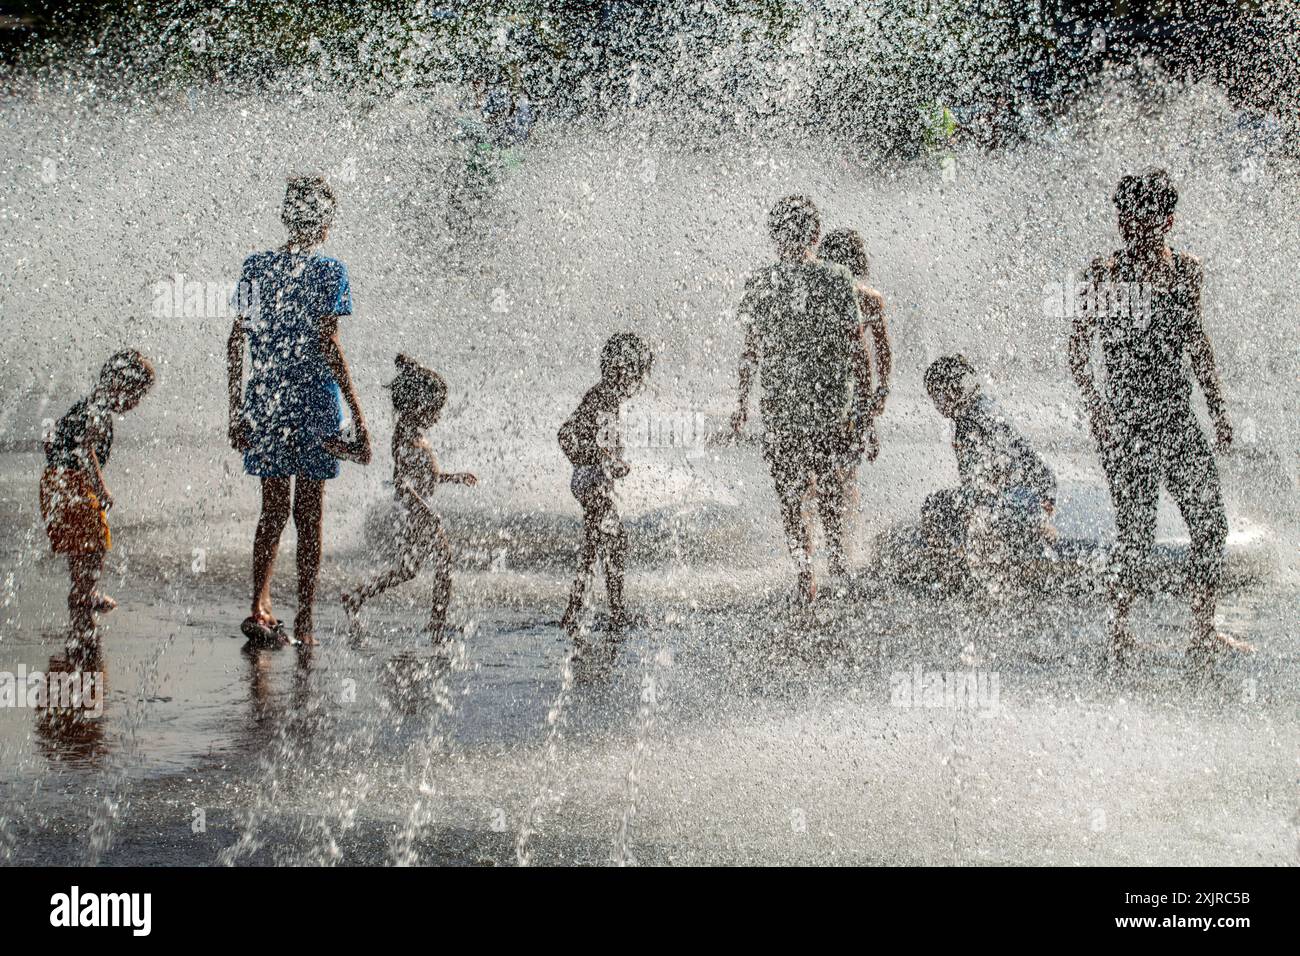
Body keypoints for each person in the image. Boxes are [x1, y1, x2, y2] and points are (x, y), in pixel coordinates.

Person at [1068, 167, 1249, 663]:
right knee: (1136, 530)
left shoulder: (1186, 271)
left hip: (1177, 416)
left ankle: (1204, 628)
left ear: (1167, 221)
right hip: (1125, 421)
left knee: (1210, 523)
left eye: (1144, 218)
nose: (1133, 228)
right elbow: (1078, 349)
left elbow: (1197, 341)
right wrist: (1097, 410)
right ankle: (1120, 630)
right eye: (1126, 217)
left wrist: (1218, 409)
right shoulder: (1101, 275)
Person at [226, 175, 370, 648]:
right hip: (314, 403)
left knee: (272, 511)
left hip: (267, 403)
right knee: (309, 514)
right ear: (326, 223)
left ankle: (259, 605)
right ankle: (305, 619)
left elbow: (235, 342)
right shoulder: (330, 271)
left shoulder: (256, 266)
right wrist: (359, 416)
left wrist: (235, 410)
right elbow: (329, 343)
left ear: (287, 217)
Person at [731, 195, 873, 602]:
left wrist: (741, 403)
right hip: (830, 408)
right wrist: (864, 406)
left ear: (775, 234)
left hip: (781, 410)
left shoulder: (762, 281)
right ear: (815, 232)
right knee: (829, 491)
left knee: (791, 497)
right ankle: (839, 566)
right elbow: (856, 347)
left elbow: (750, 350)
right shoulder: (837, 278)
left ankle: (805, 575)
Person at [340, 355, 476, 644]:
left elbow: (425, 476)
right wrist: (425, 511)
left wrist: (453, 477)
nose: (438, 416)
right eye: (435, 410)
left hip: (414, 510)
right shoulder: (405, 435)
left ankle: (356, 597)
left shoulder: (416, 433)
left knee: (408, 570)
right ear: (418, 404)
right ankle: (437, 624)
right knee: (444, 560)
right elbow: (403, 483)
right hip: (413, 511)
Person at [39, 350, 155, 643]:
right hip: (75, 484)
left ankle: (81, 590)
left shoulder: (85, 406)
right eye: (135, 395)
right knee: (96, 543)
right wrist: (101, 488)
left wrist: (56, 468)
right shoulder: (98, 411)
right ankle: (85, 593)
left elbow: (51, 440)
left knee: (80, 543)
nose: (135, 403)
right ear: (118, 385)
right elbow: (85, 449)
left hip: (54, 483)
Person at [558, 332, 654, 650]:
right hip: (592, 480)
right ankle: (614, 611)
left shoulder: (600, 395)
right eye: (634, 375)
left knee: (595, 548)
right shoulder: (604, 398)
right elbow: (573, 436)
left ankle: (576, 611)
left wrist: (605, 460)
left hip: (589, 478)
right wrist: (609, 461)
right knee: (614, 543)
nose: (636, 384)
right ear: (617, 369)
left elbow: (575, 435)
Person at [921, 355, 1056, 576]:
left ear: (952, 389)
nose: (936, 404)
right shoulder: (981, 406)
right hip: (1034, 496)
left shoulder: (971, 420)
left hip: (1019, 500)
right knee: (969, 503)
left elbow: (989, 480)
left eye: (937, 395)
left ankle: (947, 570)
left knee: (934, 506)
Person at [817, 227, 892, 544]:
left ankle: (816, 541)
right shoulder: (869, 299)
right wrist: (880, 392)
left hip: (820, 390)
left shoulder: (818, 294)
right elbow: (882, 352)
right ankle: (845, 540)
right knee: (845, 475)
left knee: (817, 473)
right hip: (852, 394)